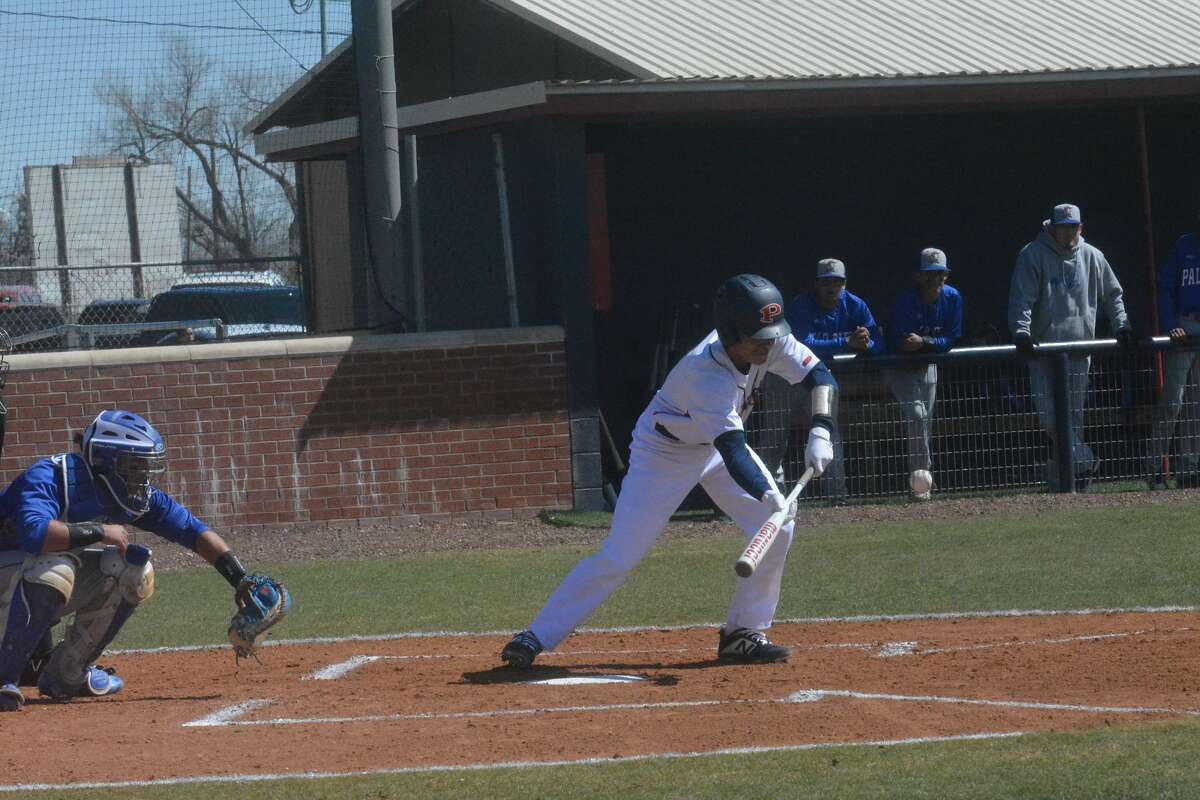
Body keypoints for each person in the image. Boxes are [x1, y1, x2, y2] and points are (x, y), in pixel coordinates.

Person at [500, 274, 837, 668]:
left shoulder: (770, 341)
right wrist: (770, 495)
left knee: (779, 528)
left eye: (771, 334)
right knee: (620, 556)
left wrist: (821, 430)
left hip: (714, 447)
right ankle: (536, 635)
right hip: (664, 454)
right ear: (731, 331)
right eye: (757, 337)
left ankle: (743, 633)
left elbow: (821, 377)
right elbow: (733, 451)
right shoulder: (704, 373)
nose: (768, 344)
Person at [0, 410, 287, 711]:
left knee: (134, 570)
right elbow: (37, 534)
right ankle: (5, 677)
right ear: (105, 461)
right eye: (133, 466)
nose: (142, 477)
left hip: (18, 587)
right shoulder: (51, 477)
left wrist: (239, 579)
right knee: (54, 567)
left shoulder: (125, 494)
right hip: (10, 574)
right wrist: (100, 530)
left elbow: (193, 531)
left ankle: (67, 674)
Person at [1008, 203, 1133, 492]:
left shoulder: (1093, 256)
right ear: (1051, 227)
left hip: (1079, 351)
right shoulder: (1032, 254)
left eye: (1072, 227)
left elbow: (1113, 296)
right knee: (1049, 418)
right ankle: (1086, 462)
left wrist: (1122, 326)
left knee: (1072, 421)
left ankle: (1066, 484)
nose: (1066, 233)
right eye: (1061, 227)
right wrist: (1022, 332)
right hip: (1043, 352)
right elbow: (1021, 299)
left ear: (1080, 228)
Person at [757, 258, 883, 503]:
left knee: (827, 433)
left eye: (836, 282)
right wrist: (846, 343)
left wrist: (868, 343)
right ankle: (769, 498)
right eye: (826, 282)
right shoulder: (802, 305)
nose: (831, 287)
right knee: (774, 438)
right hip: (783, 378)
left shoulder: (856, 306)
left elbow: (880, 344)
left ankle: (837, 497)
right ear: (817, 284)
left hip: (818, 381)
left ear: (844, 284)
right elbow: (803, 344)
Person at [883, 248, 963, 500]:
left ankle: (921, 484)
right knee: (918, 415)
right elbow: (901, 341)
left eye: (939, 274)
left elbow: (952, 338)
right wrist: (912, 343)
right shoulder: (906, 300)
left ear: (946, 275)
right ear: (919, 276)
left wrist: (925, 341)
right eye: (929, 274)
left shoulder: (953, 298)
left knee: (924, 420)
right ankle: (923, 481)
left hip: (927, 364)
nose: (934, 280)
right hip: (899, 365)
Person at [1146, 210, 1200, 488]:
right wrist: (1169, 324)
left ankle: (1189, 470)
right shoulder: (1185, 244)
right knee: (1173, 402)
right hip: (1185, 325)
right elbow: (1165, 286)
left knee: (1196, 404)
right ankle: (1153, 468)